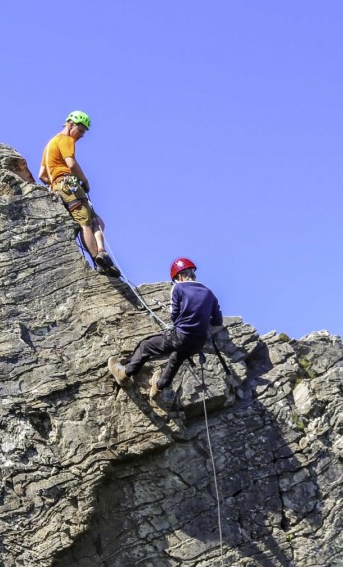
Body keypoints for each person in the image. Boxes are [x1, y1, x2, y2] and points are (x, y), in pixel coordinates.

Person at [108, 257, 223, 398]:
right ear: (193, 273)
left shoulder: (179, 288)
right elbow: (217, 321)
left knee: (146, 346)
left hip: (180, 335)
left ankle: (124, 373)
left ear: (179, 276)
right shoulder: (209, 293)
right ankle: (159, 386)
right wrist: (200, 321)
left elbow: (174, 315)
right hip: (198, 342)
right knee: (177, 358)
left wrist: (184, 321)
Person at [38, 110, 119, 276]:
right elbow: (71, 163)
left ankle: (102, 252)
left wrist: (55, 186)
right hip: (69, 184)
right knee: (86, 223)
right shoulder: (65, 139)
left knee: (97, 221)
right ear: (69, 124)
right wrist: (85, 181)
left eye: (84, 132)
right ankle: (99, 259)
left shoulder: (50, 144)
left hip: (59, 186)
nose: (81, 135)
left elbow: (42, 175)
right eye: (80, 130)